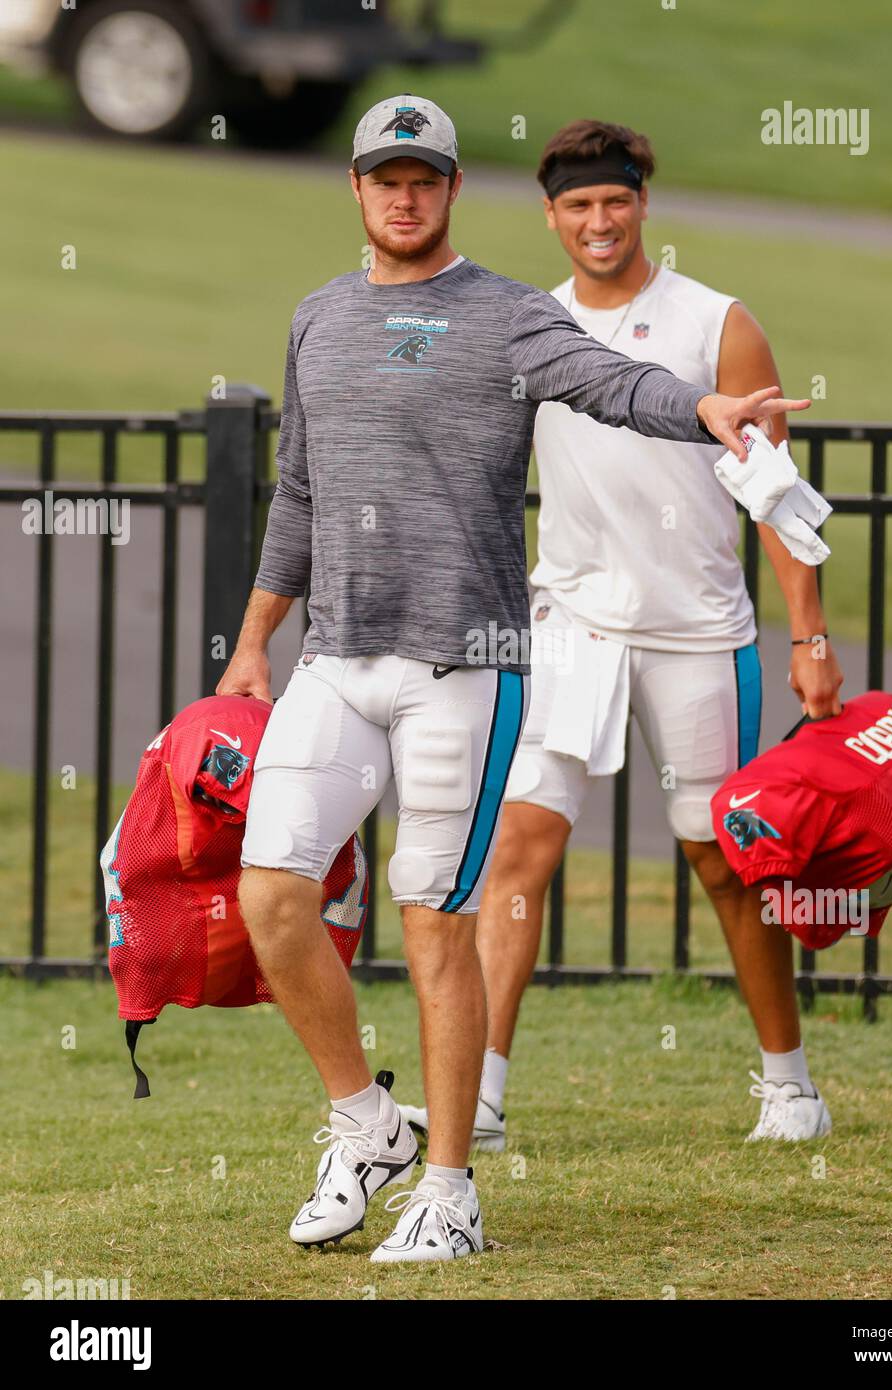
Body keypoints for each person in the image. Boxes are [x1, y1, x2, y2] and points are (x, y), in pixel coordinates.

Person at [216, 94, 811, 1264]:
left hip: (466, 667)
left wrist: (699, 404)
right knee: (270, 896)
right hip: (335, 658)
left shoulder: (504, 317)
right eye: (384, 178)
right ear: (355, 189)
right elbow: (299, 492)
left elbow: (609, 382)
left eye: (424, 178)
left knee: (434, 922)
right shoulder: (318, 317)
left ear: (448, 189)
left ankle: (450, 1191)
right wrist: (251, 641)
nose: (404, 196)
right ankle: (367, 1124)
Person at [400, 119, 844, 1155]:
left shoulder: (717, 322)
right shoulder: (527, 326)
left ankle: (789, 1085)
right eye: (577, 207)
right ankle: (488, 1097)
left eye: (615, 202)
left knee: (723, 864)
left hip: (698, 637)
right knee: (518, 849)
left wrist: (808, 637)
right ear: (550, 216)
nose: (598, 223)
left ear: (642, 203)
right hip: (568, 630)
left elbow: (773, 495)